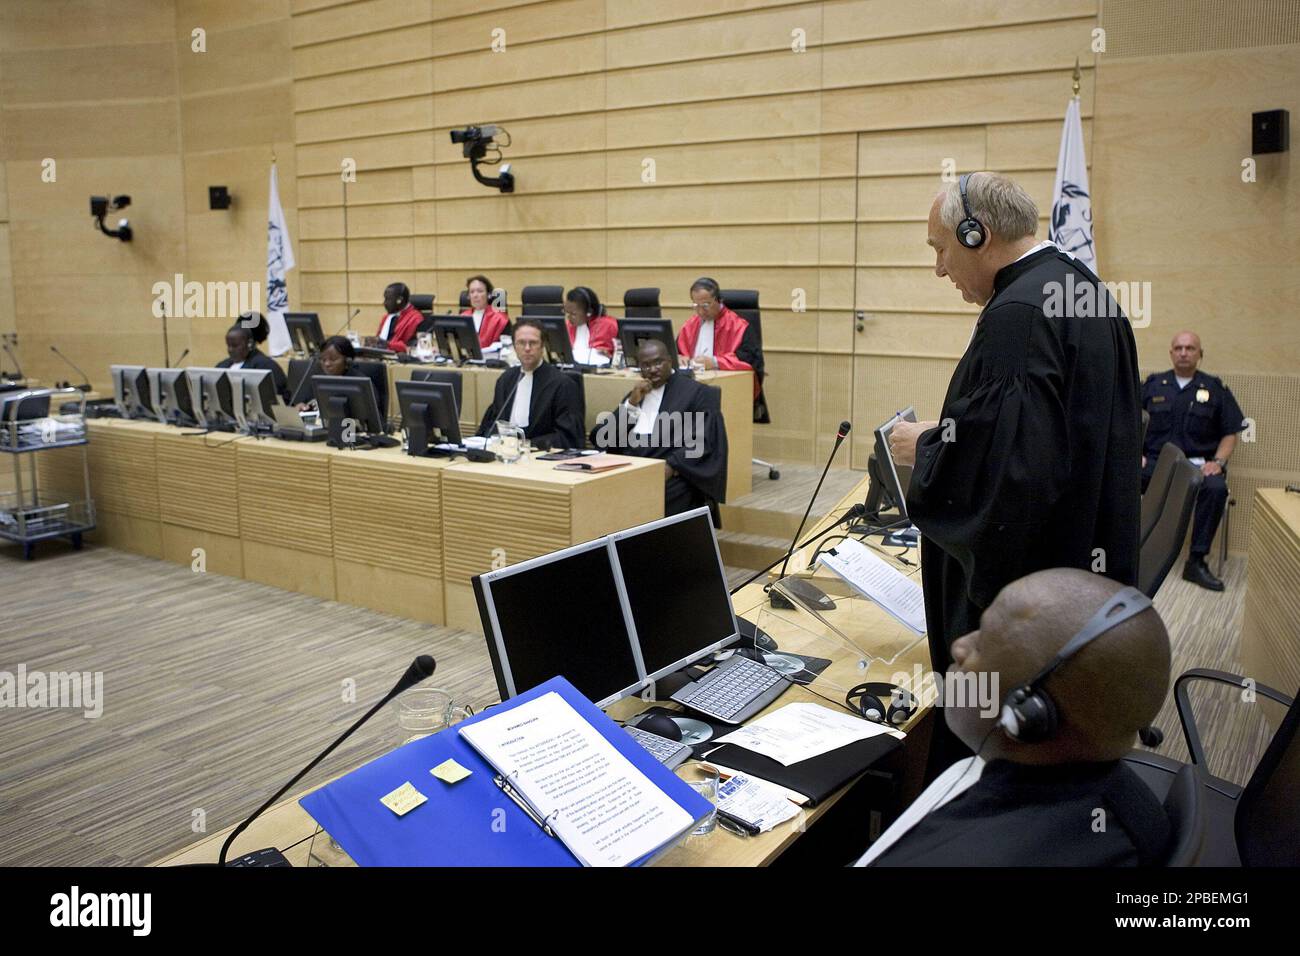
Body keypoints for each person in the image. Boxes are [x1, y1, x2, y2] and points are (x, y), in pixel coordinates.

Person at [888, 172, 1142, 683]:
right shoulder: (1082, 288)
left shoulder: (1018, 316)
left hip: (1028, 616)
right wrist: (964, 432)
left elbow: (1010, 481)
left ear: (975, 234)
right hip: (1083, 585)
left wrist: (931, 449)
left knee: (999, 752)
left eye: (941, 250)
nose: (940, 270)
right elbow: (1052, 432)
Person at [856, 568, 1172, 866]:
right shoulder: (1136, 810)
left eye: (980, 645)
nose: (958, 647)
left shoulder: (951, 857)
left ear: (1028, 714)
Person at [1142, 331, 1247, 592]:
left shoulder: (1214, 389)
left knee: (1215, 488)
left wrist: (1219, 463)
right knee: (1118, 478)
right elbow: (1129, 421)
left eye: (1190, 348)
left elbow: (1229, 433)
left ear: (1200, 354)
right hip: (1155, 464)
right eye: (1178, 348)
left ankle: (1196, 562)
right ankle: (1121, 552)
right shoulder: (1153, 385)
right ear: (1170, 352)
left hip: (1197, 466)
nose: (1184, 353)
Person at [592, 338, 728, 524]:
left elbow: (704, 441)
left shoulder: (696, 393)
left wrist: (672, 466)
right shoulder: (638, 393)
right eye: (645, 365)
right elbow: (603, 438)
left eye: (658, 362)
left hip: (671, 472)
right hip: (630, 469)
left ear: (670, 361)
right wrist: (631, 404)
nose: (652, 369)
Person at [476, 319, 583, 451]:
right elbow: (490, 426)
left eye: (533, 343)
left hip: (541, 458)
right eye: (521, 343)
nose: (527, 348)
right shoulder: (506, 380)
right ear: (514, 346)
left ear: (542, 346)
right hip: (504, 454)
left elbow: (568, 438)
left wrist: (528, 445)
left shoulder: (563, 384)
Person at [675, 277, 763, 399]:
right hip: (691, 389)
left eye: (705, 305)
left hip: (726, 391)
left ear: (719, 300)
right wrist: (679, 358)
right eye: (696, 305)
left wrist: (715, 362)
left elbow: (750, 362)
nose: (700, 311)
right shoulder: (689, 325)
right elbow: (675, 352)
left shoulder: (738, 326)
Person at [296, 336, 382, 415]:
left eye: (333, 359)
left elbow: (372, 413)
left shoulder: (361, 383)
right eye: (323, 359)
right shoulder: (318, 379)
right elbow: (305, 402)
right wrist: (301, 407)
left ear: (348, 360)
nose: (327, 364)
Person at [216, 320, 289, 402]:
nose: (230, 350)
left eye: (235, 346)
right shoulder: (222, 366)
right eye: (228, 345)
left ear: (249, 344)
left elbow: (277, 399)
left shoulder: (266, 366)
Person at [564, 286, 619, 364]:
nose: (568, 317)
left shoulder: (608, 325)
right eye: (567, 312)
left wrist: (610, 356)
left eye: (573, 314)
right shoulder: (569, 326)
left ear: (589, 312)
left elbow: (618, 355)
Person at [366, 282, 422, 354]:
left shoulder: (415, 318)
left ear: (399, 300)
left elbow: (411, 347)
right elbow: (379, 339)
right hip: (380, 355)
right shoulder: (386, 317)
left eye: (388, 299)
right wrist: (373, 342)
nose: (384, 303)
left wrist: (386, 344)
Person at [461, 274, 509, 349]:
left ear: (489, 295)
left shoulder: (500, 319)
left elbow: (507, 346)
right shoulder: (462, 317)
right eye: (472, 292)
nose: (475, 295)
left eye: (480, 291)